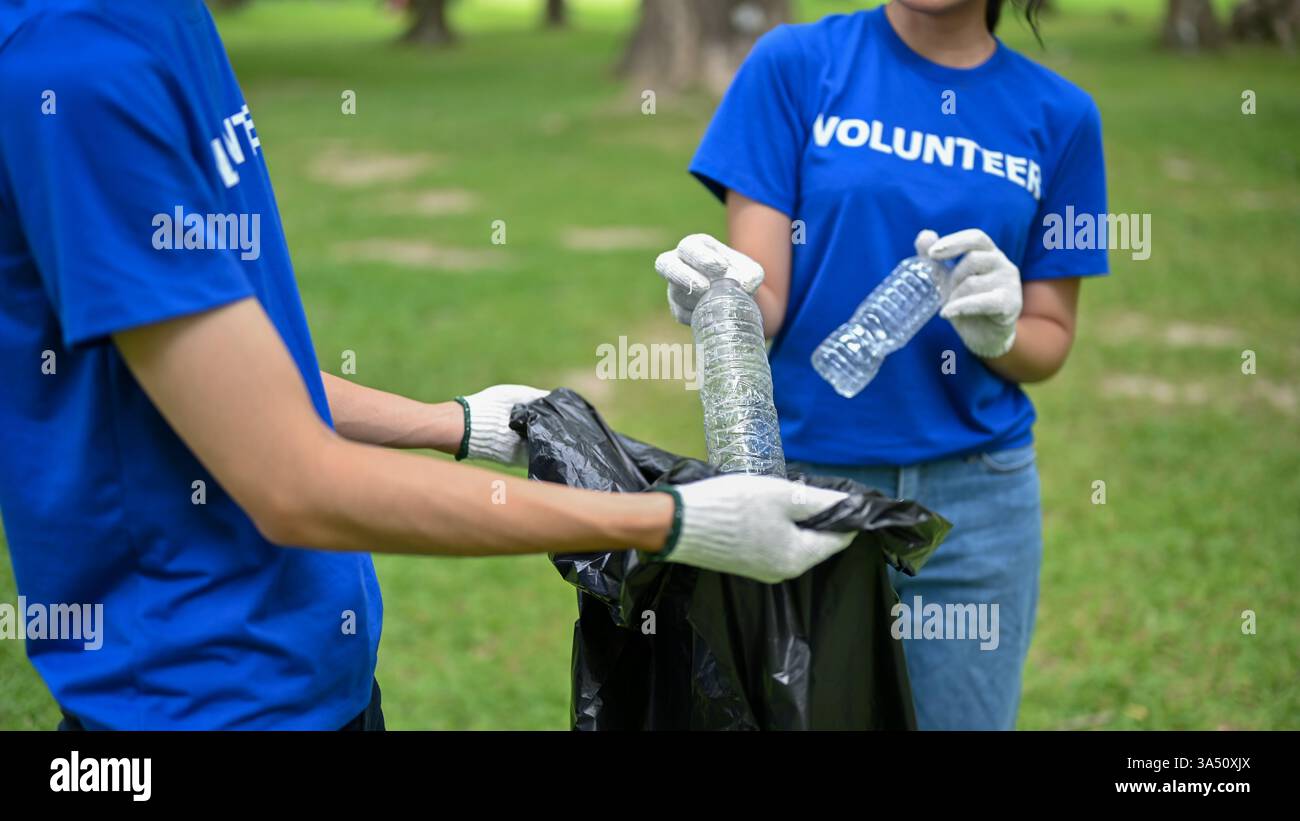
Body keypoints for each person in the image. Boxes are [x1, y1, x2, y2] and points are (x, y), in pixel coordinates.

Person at [0, 0, 856, 730]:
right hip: (195, 694)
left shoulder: (163, 19)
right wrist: (668, 522)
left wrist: (456, 422)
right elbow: (291, 480)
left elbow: (237, 383)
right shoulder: (75, 71)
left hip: (311, 669)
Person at [655, 0, 1108, 729]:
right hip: (804, 493)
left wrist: (999, 334)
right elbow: (766, 295)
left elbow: (1050, 337)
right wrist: (720, 295)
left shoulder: (1061, 115)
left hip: (975, 509)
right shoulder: (795, 64)